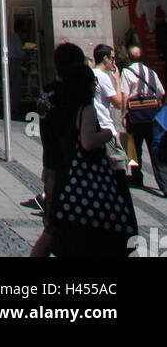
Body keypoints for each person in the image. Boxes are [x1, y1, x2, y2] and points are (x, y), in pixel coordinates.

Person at [49, 62, 137, 258]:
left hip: (65, 173)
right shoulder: (86, 110)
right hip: (86, 176)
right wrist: (106, 135)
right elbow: (88, 142)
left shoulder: (61, 107)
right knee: (116, 226)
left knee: (54, 234)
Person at [29, 42, 85, 258]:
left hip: (51, 163)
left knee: (52, 225)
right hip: (73, 168)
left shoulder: (47, 92)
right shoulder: (72, 96)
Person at [121, 45, 167, 195]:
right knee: (155, 149)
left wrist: (123, 114)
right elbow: (161, 92)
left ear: (128, 57)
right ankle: (164, 183)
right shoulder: (152, 73)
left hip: (134, 118)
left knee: (133, 149)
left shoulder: (127, 72)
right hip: (151, 117)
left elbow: (125, 96)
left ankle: (136, 177)